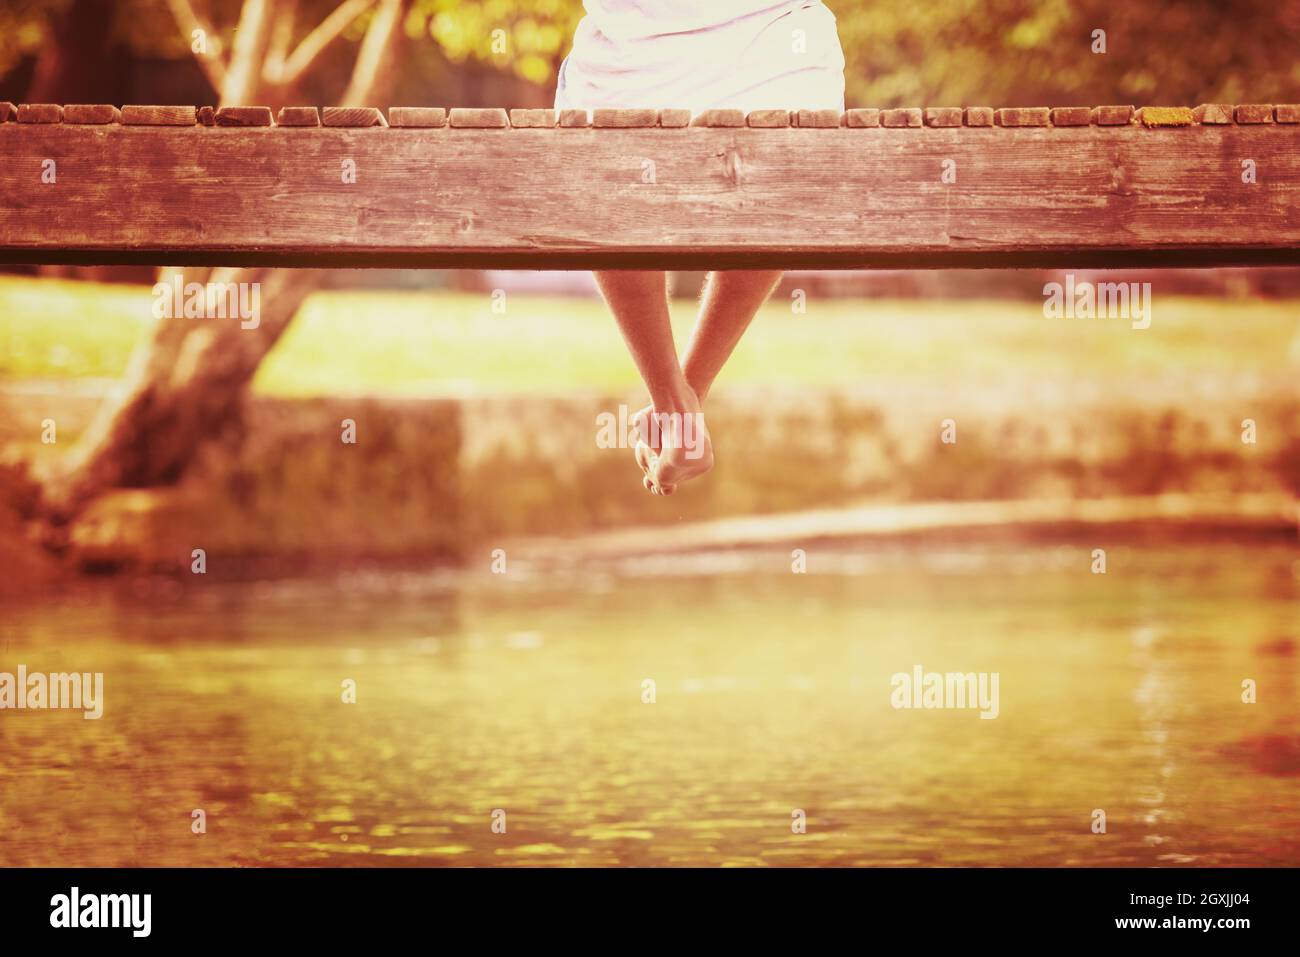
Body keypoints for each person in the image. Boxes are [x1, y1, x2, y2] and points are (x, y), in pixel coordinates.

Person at [555, 1, 846, 495]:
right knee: (776, 169)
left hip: (633, 66)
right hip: (783, 61)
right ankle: (682, 402)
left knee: (607, 162)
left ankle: (676, 405)